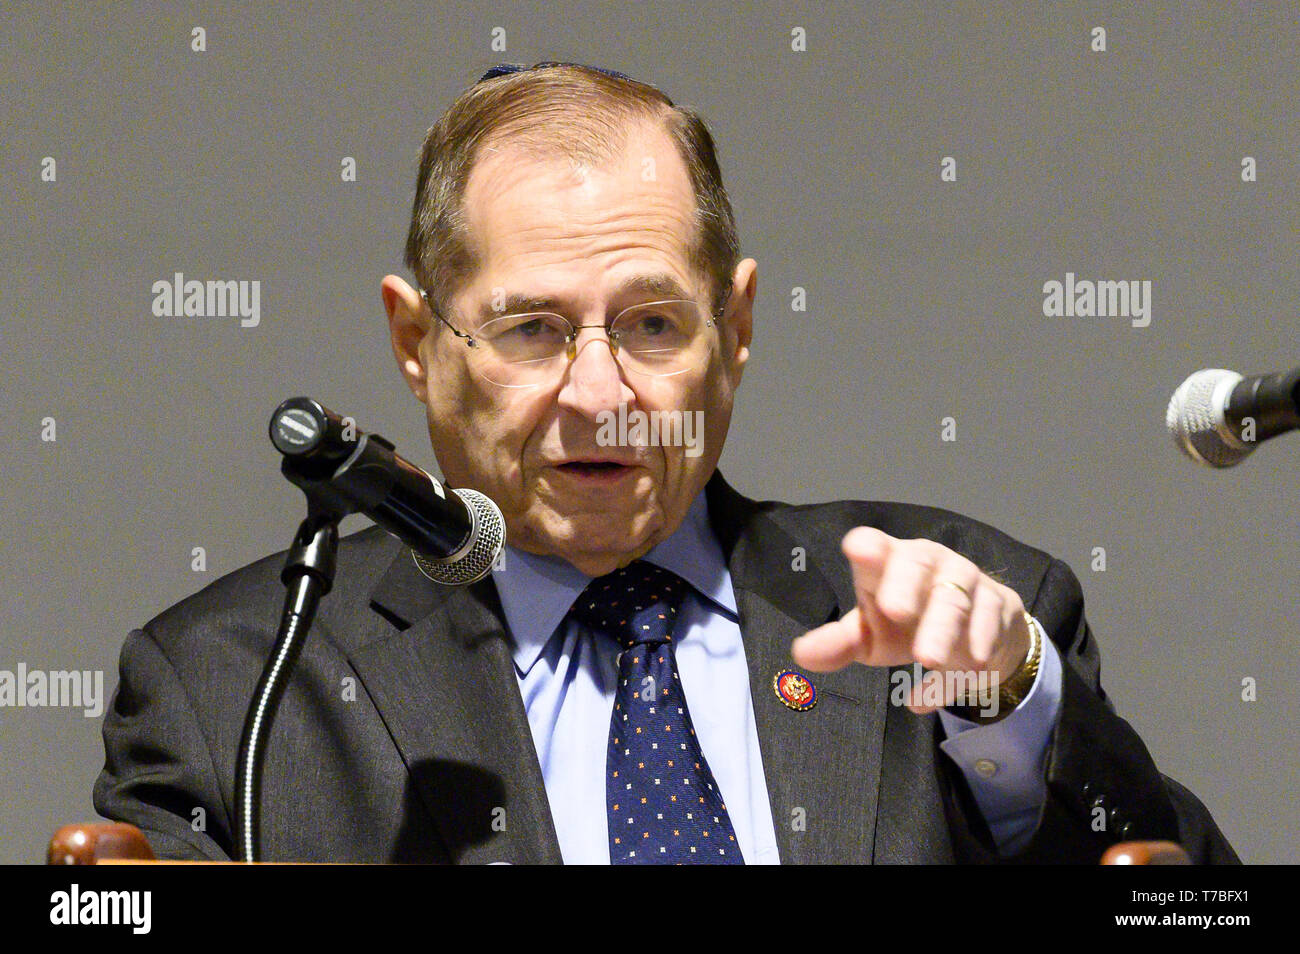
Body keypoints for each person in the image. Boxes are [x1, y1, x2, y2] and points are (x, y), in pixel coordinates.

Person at [94, 62, 1238, 864]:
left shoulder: (959, 616)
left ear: (733, 330)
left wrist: (1016, 709)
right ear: (415, 342)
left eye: (651, 324)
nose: (601, 395)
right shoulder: (234, 687)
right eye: (532, 330)